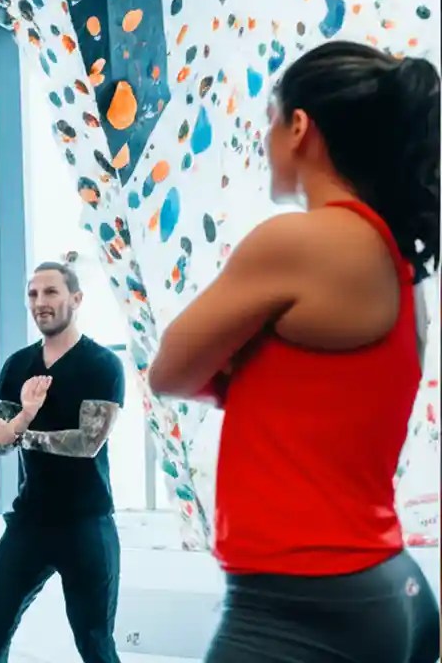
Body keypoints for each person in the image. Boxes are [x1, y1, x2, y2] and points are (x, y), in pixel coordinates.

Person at [148, 41, 441, 663]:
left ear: (300, 127)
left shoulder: (300, 242)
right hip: (391, 587)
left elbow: (171, 370)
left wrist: (234, 362)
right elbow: (311, 392)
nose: (265, 140)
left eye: (270, 122)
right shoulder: (399, 265)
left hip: (303, 607)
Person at [0, 261, 126, 663]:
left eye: (51, 292)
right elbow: (1, 442)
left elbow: (87, 442)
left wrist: (20, 432)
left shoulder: (102, 365)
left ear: (76, 299)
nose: (40, 302)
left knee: (95, 644)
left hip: (86, 525)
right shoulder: (17, 366)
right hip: (31, 522)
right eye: (33, 294)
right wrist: (23, 417)